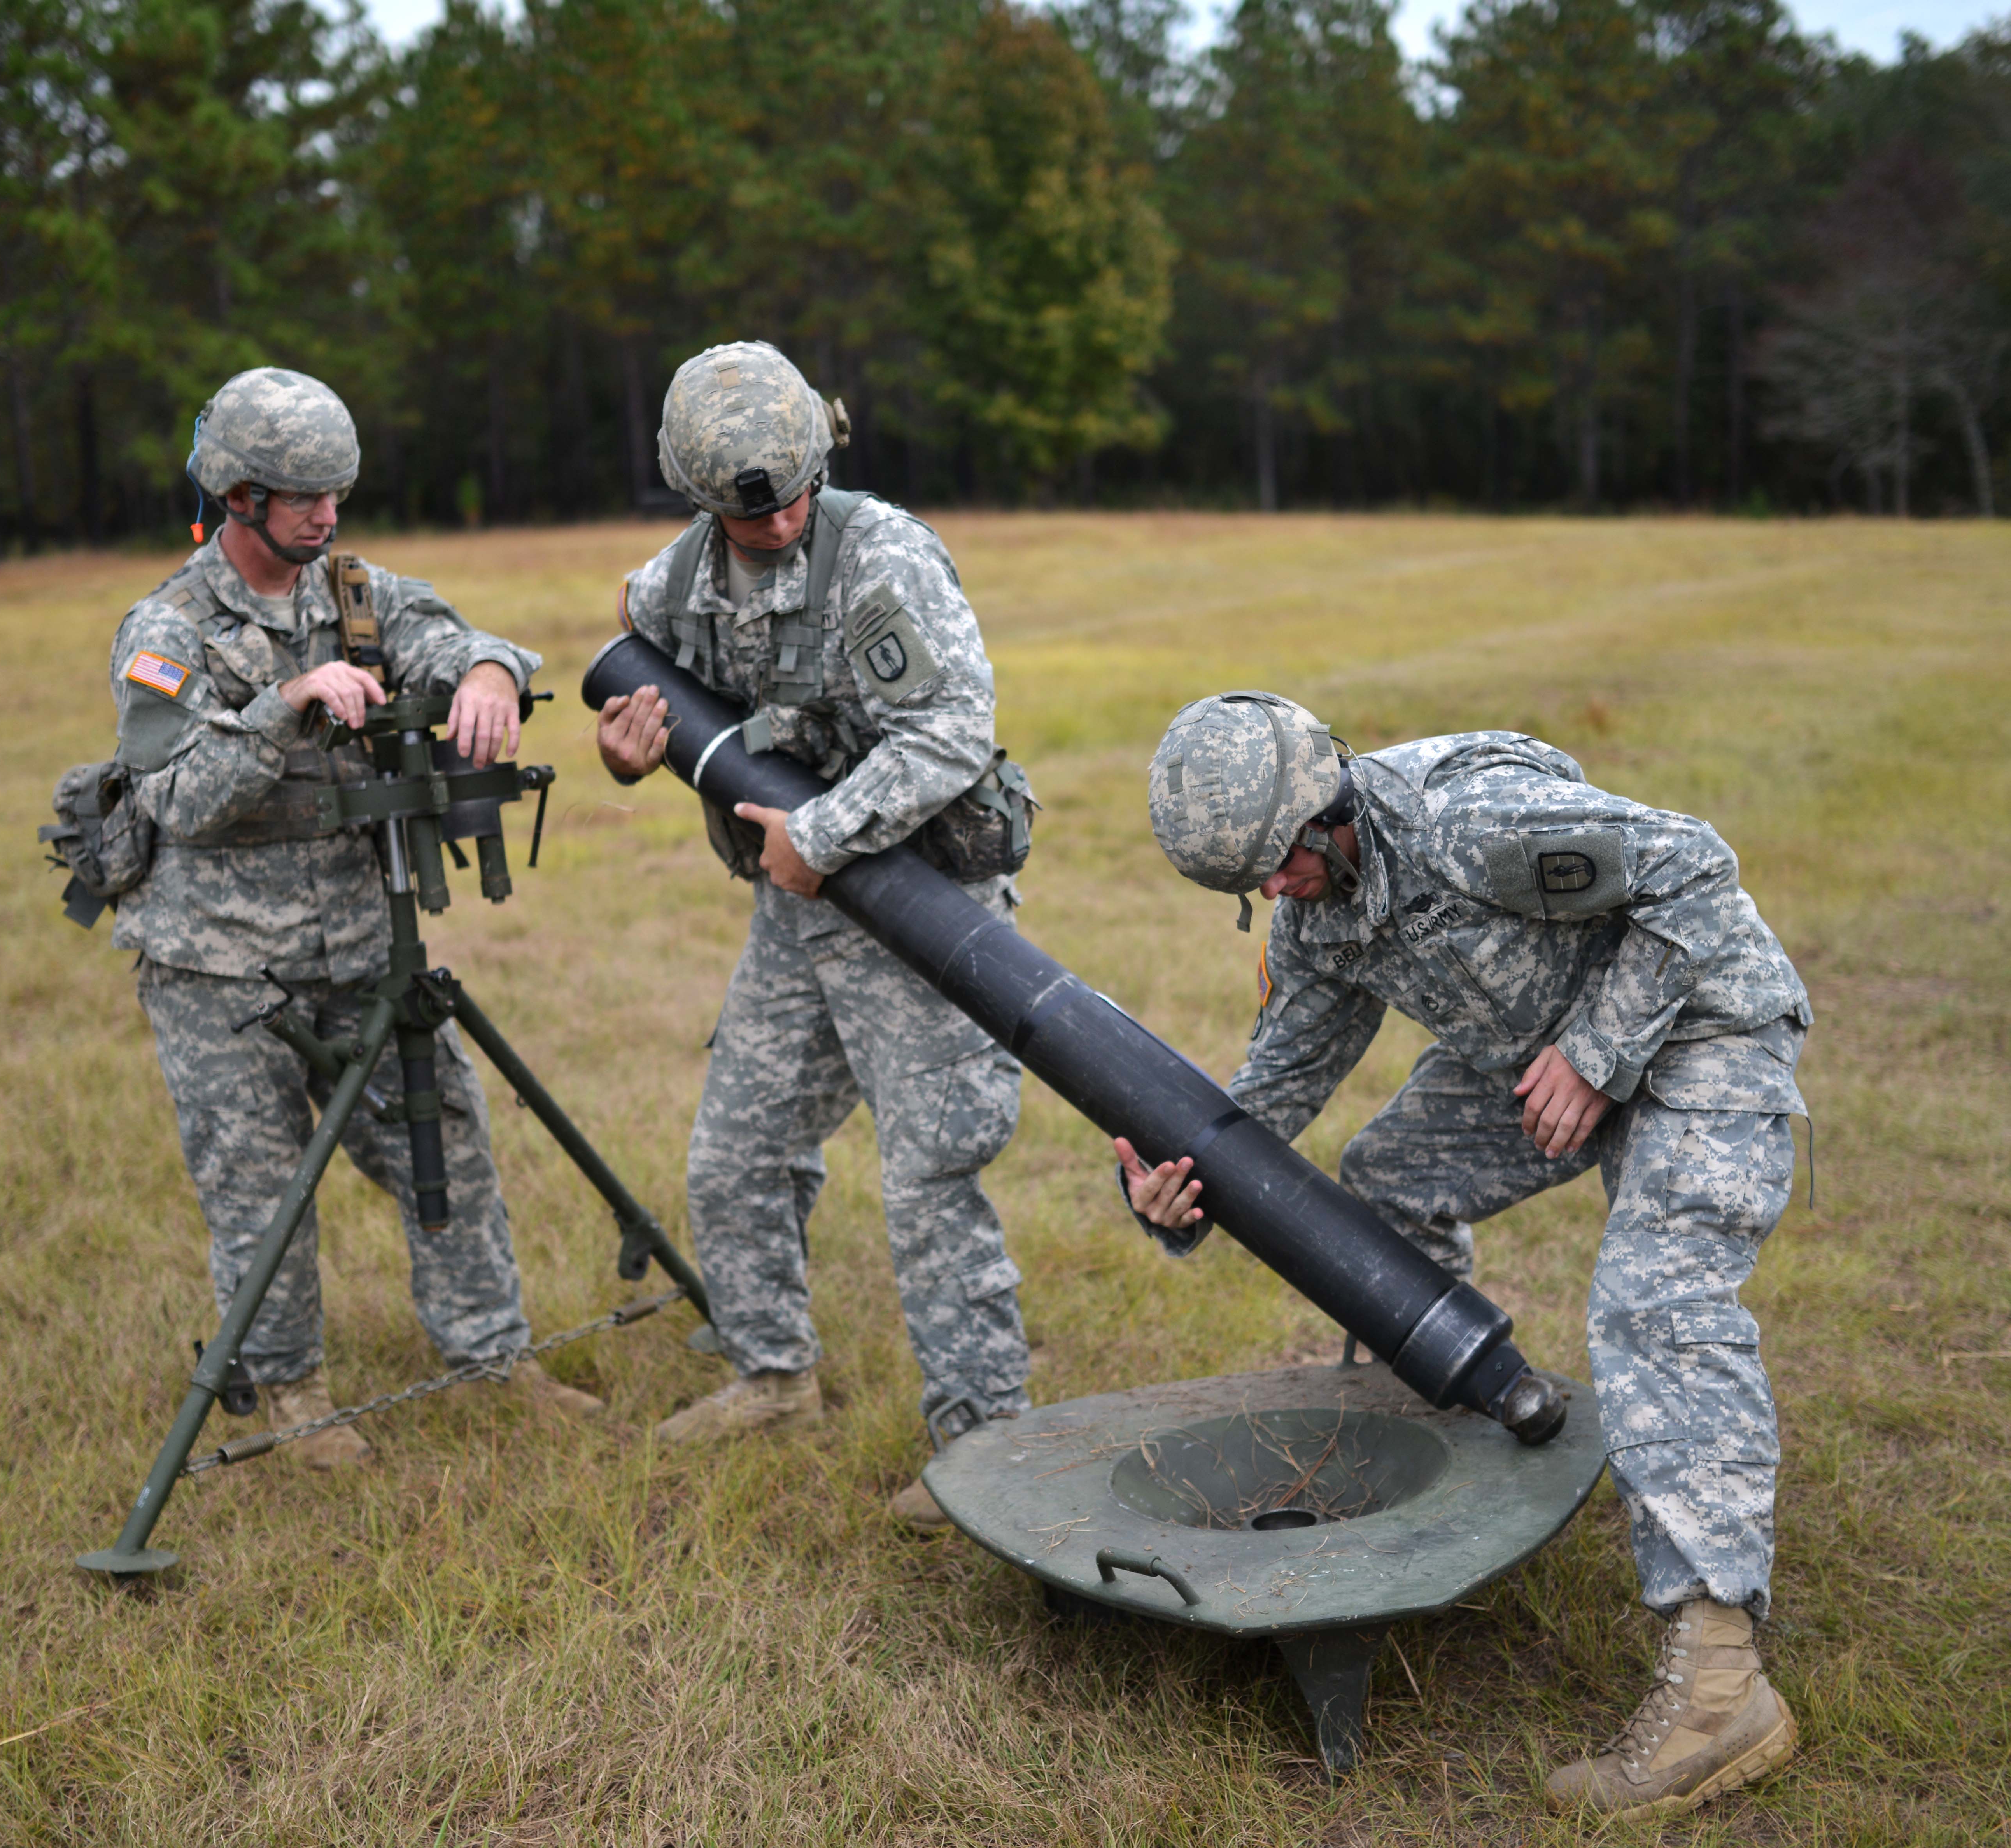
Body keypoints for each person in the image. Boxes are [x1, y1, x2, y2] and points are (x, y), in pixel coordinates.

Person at [1119, 692, 1811, 1817]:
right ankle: (1462, 1444)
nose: (1274, 895)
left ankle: (1722, 1685)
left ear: (1326, 807)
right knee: (1388, 1187)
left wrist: (1594, 1054)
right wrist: (1173, 1195)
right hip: (1540, 1058)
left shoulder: (1468, 824)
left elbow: (1696, 867)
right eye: (1249, 888)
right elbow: (1270, 1097)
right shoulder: (1316, 906)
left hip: (1699, 1026)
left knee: (1655, 1304)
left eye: (1280, 866)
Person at [109, 365, 600, 1463]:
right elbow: (177, 798)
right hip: (223, 969)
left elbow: (461, 639)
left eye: (338, 492)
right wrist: (285, 705)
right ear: (239, 499)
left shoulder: (356, 593)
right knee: (261, 1189)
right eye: (302, 498)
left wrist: (484, 673)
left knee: (446, 1139)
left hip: (366, 944)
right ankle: (288, 1397)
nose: (328, 516)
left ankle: (490, 1357)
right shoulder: (167, 628)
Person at [593, 341, 1033, 1524]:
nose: (778, 527)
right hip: (797, 919)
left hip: (921, 908)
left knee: (933, 1178)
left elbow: (952, 729)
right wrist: (624, 751)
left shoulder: (881, 554)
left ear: (822, 456)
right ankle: (774, 1373)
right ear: (695, 497)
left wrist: (825, 833)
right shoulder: (681, 577)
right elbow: (636, 648)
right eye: (746, 515)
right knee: (735, 1155)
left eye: (791, 499)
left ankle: (987, 1453)